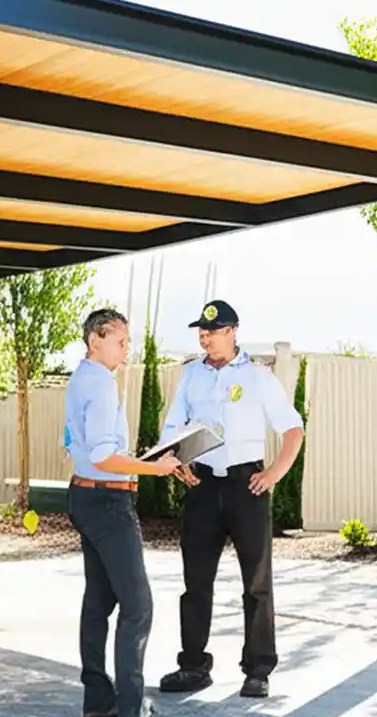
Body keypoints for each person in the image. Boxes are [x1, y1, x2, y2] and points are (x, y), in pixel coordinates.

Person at [156, 300, 304, 699]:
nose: (205, 337)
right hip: (202, 488)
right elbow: (173, 427)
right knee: (195, 581)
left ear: (233, 331)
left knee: (256, 584)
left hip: (246, 487)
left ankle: (257, 668)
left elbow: (293, 429)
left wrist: (273, 474)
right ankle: (192, 666)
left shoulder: (257, 376)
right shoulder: (191, 376)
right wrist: (176, 464)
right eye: (201, 331)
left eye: (214, 330)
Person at [63, 308, 182, 717]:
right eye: (120, 341)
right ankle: (130, 707)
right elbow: (103, 454)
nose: (126, 351)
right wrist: (155, 468)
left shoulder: (79, 380)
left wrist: (136, 461)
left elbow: (79, 447)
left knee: (98, 601)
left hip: (84, 496)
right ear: (95, 339)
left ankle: (98, 702)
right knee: (137, 605)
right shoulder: (100, 384)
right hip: (109, 504)